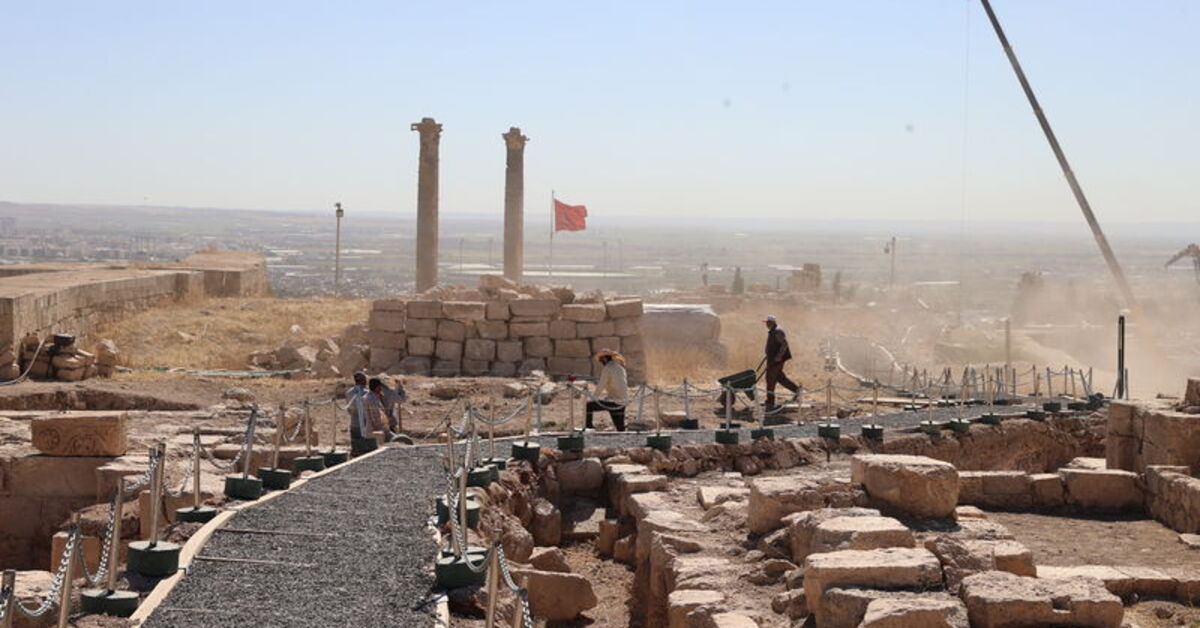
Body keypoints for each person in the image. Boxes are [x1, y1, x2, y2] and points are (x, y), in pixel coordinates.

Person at [763, 315, 801, 410]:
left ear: (772, 322)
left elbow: (784, 344)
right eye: (766, 323)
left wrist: (778, 357)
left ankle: (770, 401)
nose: (766, 324)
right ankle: (797, 390)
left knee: (770, 378)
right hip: (773, 358)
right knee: (779, 377)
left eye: (768, 322)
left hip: (776, 360)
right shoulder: (773, 330)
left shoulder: (777, 331)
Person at [585, 351, 628, 431]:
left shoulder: (607, 368)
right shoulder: (620, 368)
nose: (601, 362)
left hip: (613, 402)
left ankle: (589, 428)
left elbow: (601, 385)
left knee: (588, 406)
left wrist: (593, 397)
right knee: (620, 429)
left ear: (605, 359)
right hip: (623, 401)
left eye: (601, 360)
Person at [344, 372, 372, 441]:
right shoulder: (367, 392)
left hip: (353, 423)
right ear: (363, 380)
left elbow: (349, 409)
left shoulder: (348, 392)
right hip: (365, 425)